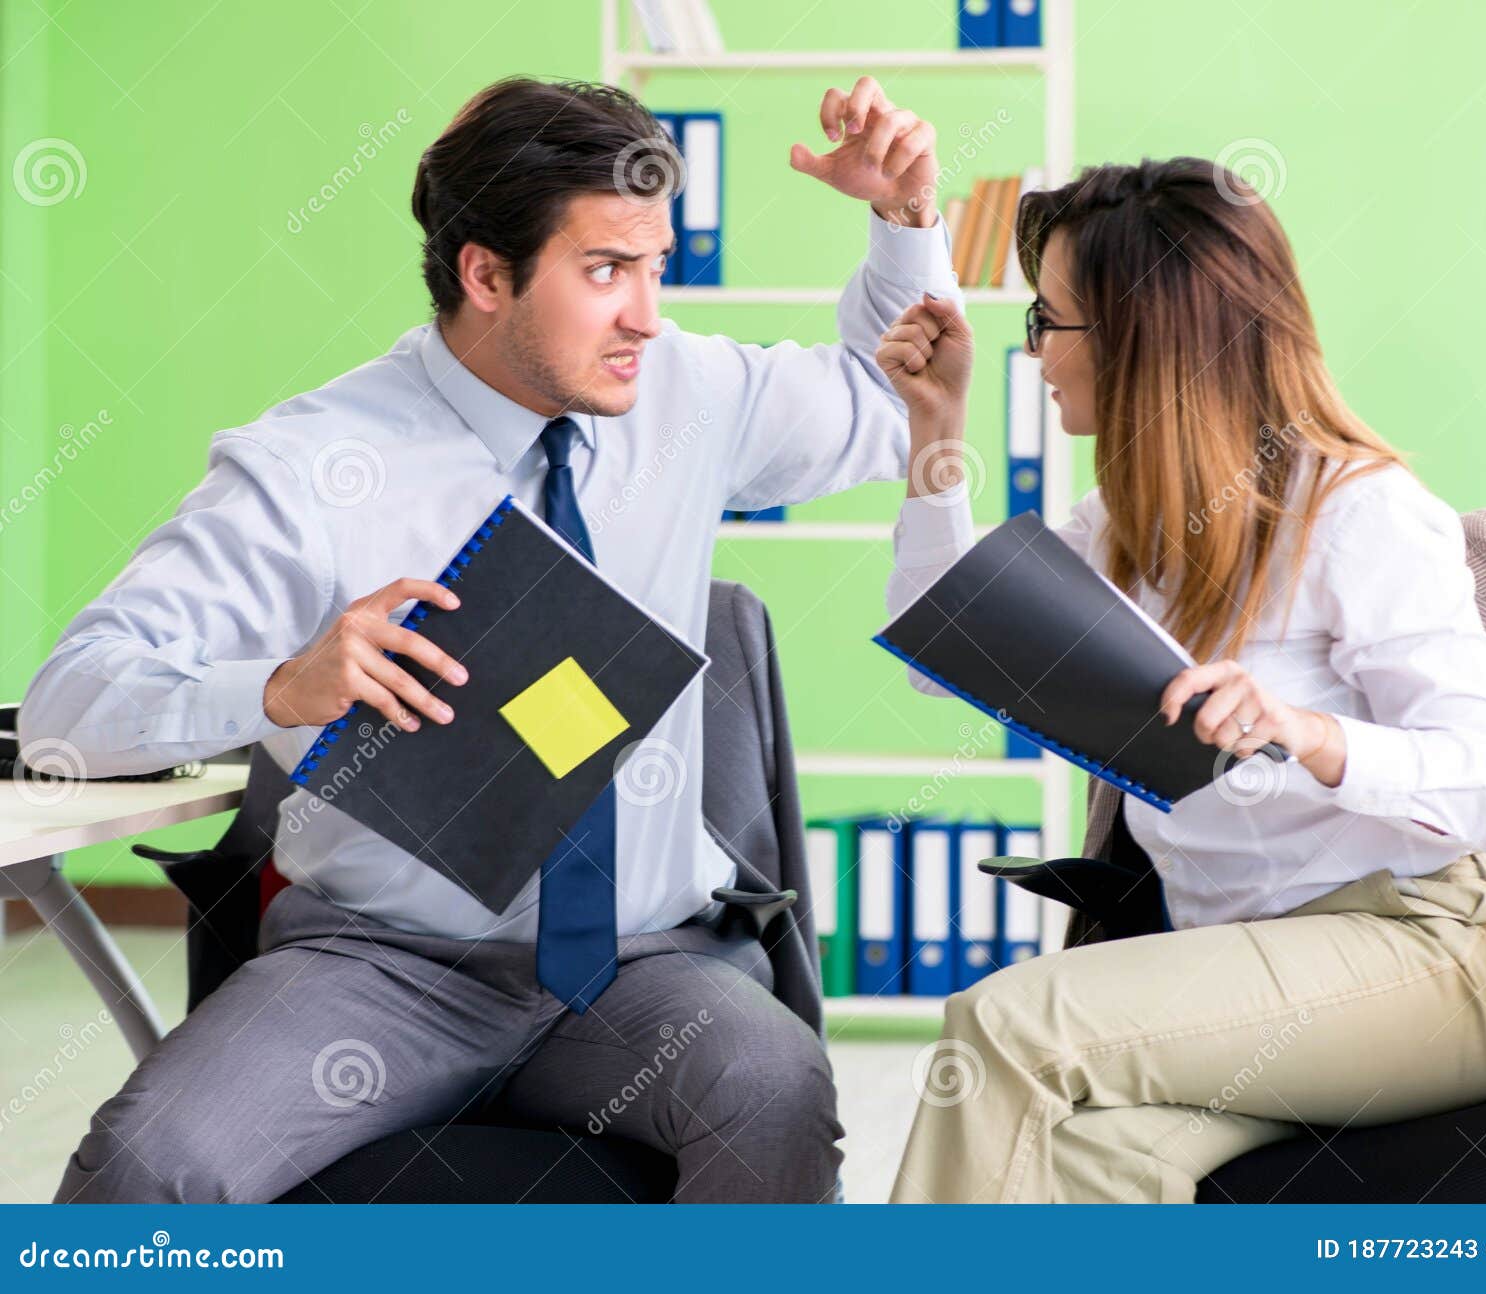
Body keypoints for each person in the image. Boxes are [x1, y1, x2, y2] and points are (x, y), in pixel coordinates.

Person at [21, 74, 960, 1204]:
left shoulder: (687, 393)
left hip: (641, 966)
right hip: (382, 967)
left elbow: (879, 403)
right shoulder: (313, 465)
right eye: (606, 270)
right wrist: (279, 684)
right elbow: (71, 703)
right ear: (483, 273)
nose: (647, 315)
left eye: (655, 267)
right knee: (149, 1166)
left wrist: (902, 225)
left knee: (772, 1088)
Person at [873, 157, 1486, 1204]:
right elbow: (951, 655)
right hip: (1243, 974)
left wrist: (1310, 734)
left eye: (1050, 323)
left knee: (1005, 1025)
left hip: (1426, 954)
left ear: (1146, 338)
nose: (1037, 357)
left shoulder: (1358, 512)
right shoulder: (1124, 530)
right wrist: (933, 433)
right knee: (1083, 1160)